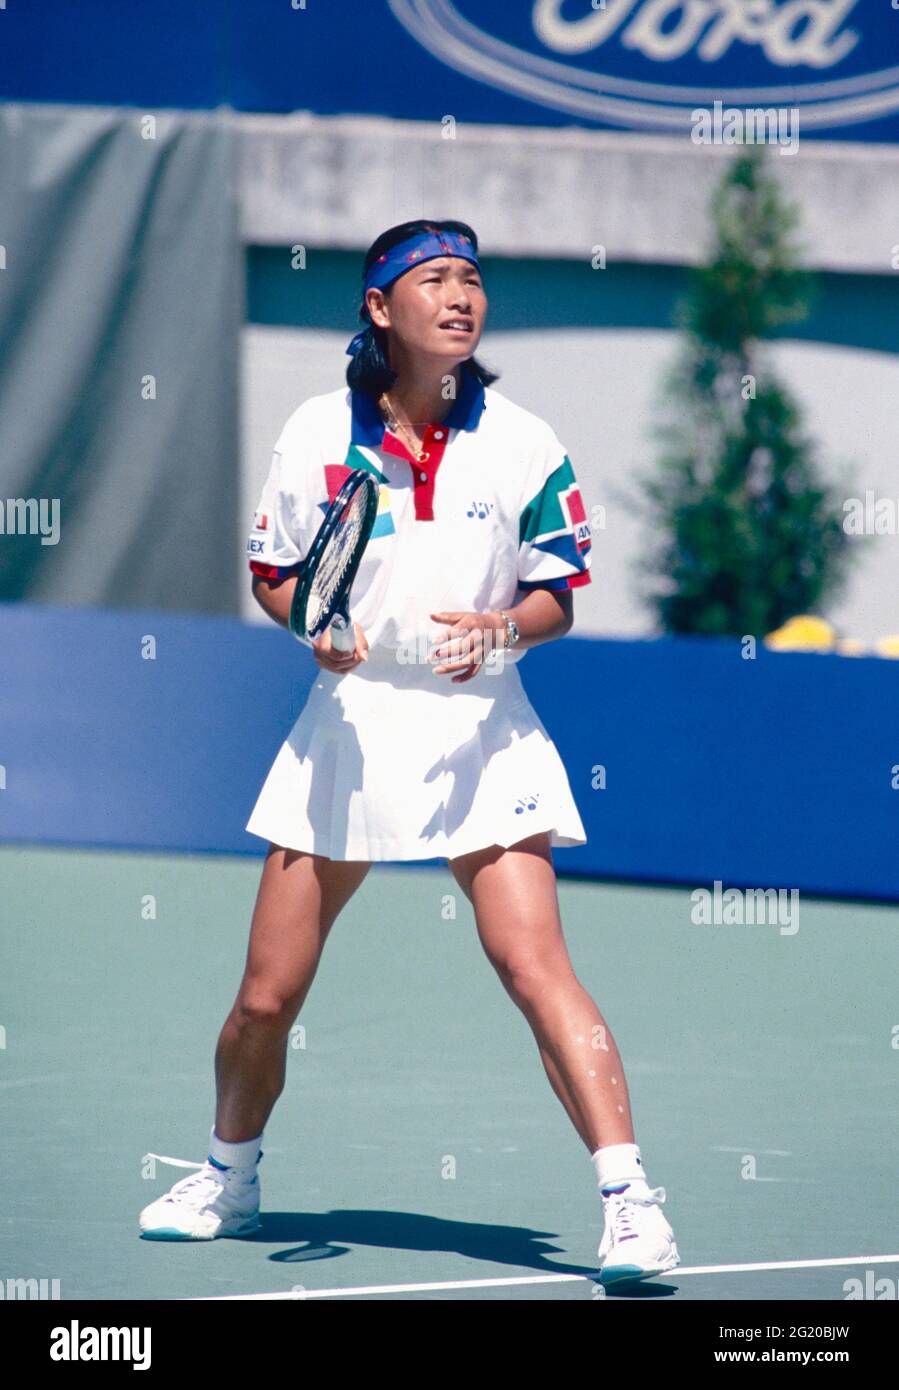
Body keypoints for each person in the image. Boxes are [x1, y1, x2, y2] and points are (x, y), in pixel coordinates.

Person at [139, 218, 679, 1287]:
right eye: (431, 279)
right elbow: (275, 573)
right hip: (346, 729)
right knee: (264, 996)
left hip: (484, 730)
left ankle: (629, 1202)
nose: (459, 295)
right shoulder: (312, 432)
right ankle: (226, 1173)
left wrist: (503, 628)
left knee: (535, 969)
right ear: (380, 309)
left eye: (471, 279)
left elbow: (556, 593)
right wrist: (312, 627)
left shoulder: (522, 438)